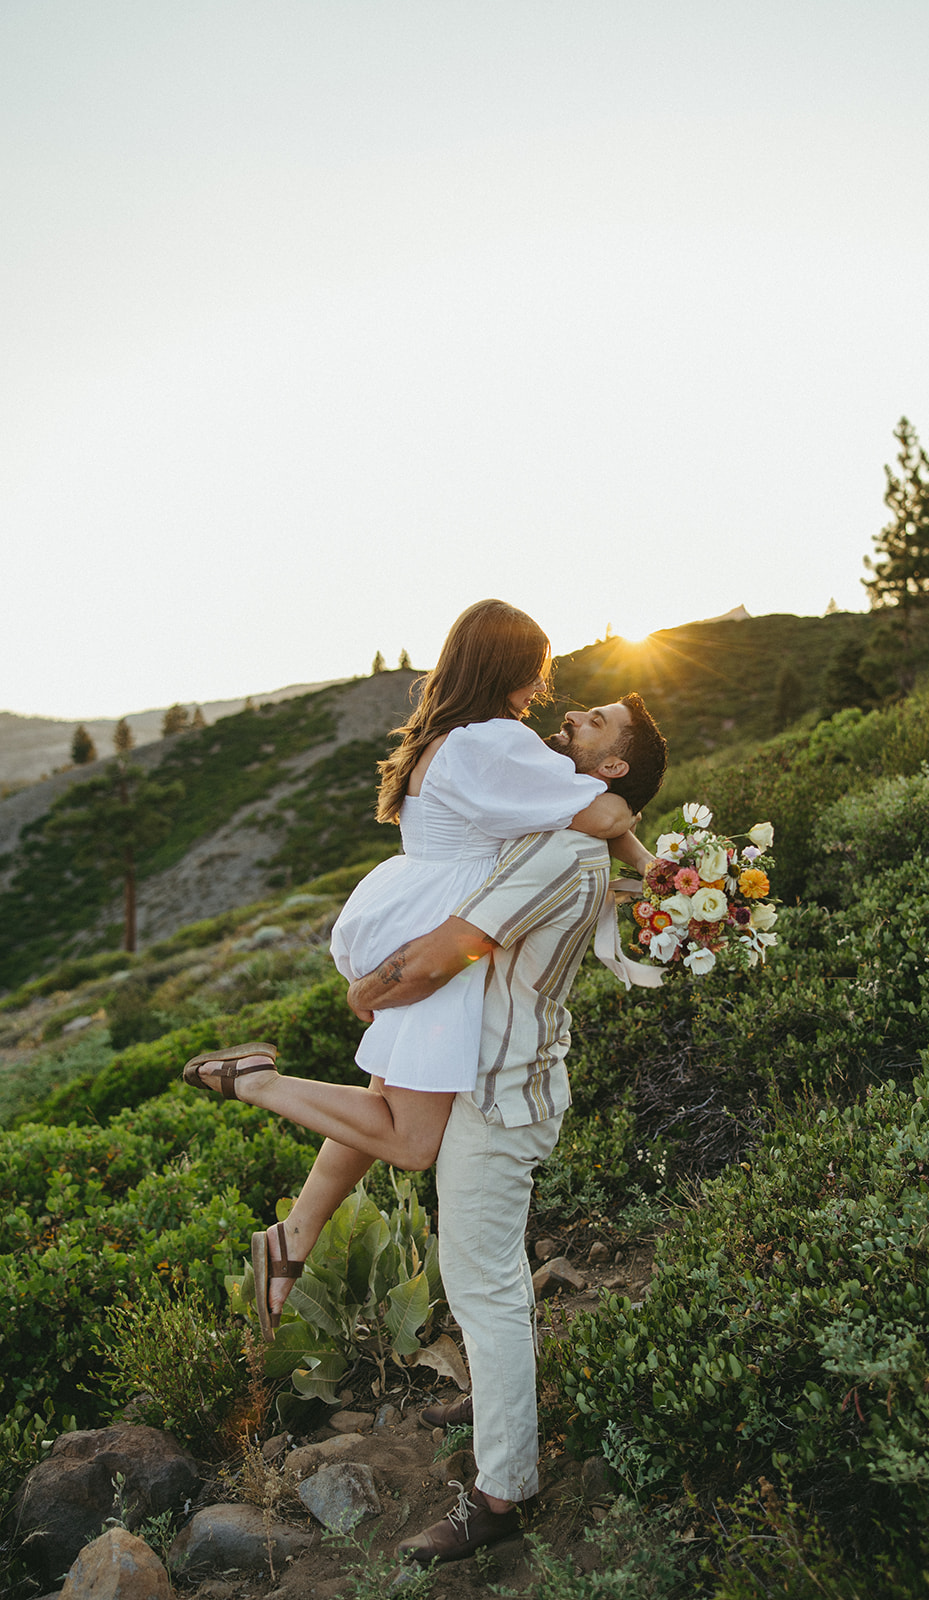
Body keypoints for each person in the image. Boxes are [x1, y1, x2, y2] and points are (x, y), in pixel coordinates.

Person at [271, 692, 668, 1566]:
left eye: (595, 722)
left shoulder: (558, 852)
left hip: (497, 1095)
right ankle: (497, 1401)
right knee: (487, 1272)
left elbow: (444, 952)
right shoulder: (566, 831)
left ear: (610, 767)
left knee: (482, 1284)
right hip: (500, 1077)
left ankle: (500, 1496)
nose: (571, 717)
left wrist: (366, 990)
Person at [182, 600, 646, 1335]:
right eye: (536, 672)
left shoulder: (450, 736)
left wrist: (653, 873)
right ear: (506, 668)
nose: (542, 690)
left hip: (409, 908)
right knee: (410, 1139)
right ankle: (256, 1080)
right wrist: (635, 832)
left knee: (381, 1102)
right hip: (443, 938)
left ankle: (292, 1237)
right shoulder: (496, 740)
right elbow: (603, 815)